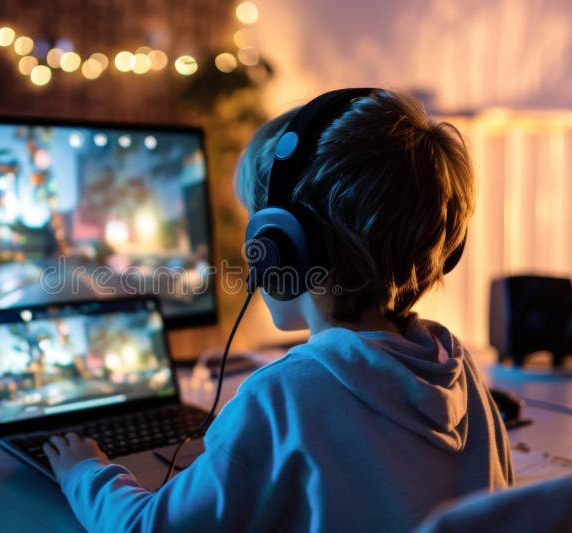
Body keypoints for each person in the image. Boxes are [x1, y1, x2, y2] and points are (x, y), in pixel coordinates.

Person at [42, 89, 513, 532]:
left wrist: (84, 471)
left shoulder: (283, 398)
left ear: (281, 244)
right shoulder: (456, 368)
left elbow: (146, 527)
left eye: (257, 228)